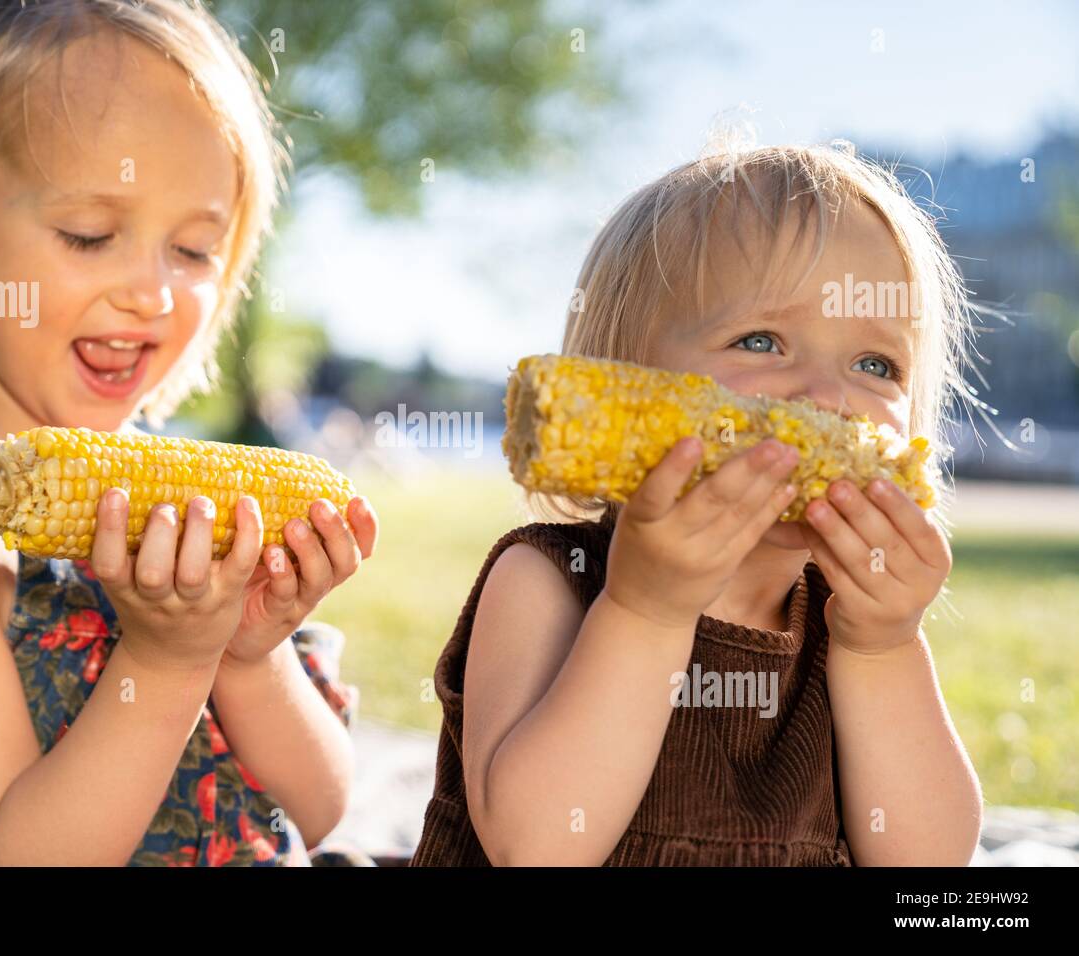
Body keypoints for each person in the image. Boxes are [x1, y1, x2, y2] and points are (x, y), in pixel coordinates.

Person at [0, 0, 377, 867]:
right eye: (90, 233)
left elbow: (327, 807)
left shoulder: (195, 500)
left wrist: (247, 656)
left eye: (192, 251)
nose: (151, 293)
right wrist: (171, 660)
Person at [412, 139, 983, 866]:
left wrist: (885, 645)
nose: (831, 399)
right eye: (761, 340)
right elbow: (539, 847)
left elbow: (927, 868)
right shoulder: (548, 581)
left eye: (876, 364)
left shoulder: (853, 628)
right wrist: (646, 612)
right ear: (625, 377)